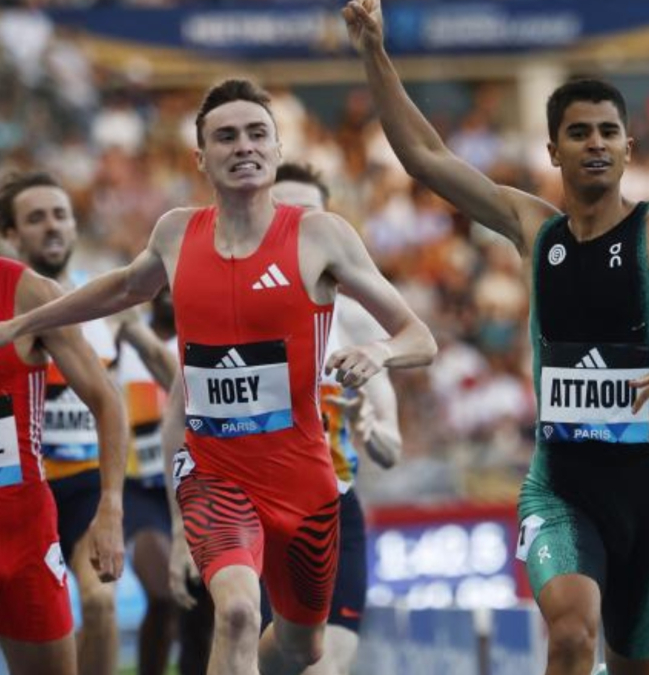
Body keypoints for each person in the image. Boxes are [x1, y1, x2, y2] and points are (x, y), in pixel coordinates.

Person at [343, 3, 649, 674]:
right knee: (570, 634)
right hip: (560, 486)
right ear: (553, 151)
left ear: (629, 147)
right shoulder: (534, 230)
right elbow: (425, 158)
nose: (595, 143)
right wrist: (373, 50)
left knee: (633, 666)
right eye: (579, 132)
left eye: (608, 131)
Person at [0, 79, 438, 675]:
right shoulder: (177, 233)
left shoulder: (320, 235)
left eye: (257, 134)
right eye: (226, 137)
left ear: (277, 148)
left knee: (301, 647)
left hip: (303, 477)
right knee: (234, 613)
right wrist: (20, 323)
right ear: (201, 158)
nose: (244, 147)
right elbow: (124, 287)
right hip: (214, 472)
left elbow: (419, 337)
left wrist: (380, 352)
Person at [167, 162, 405, 675]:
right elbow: (177, 413)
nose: (293, 222)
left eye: (307, 211)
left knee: (318, 662)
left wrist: (369, 428)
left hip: (327, 504)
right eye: (286, 208)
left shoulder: (354, 321)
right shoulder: (229, 310)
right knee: (239, 620)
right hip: (242, 497)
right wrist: (177, 522)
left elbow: (391, 445)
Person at [0, 172, 124, 675]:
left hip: (22, 527)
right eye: (36, 217)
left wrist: (110, 507)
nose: (51, 226)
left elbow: (107, 400)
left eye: (58, 214)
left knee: (96, 609)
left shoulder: (28, 293)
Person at [114, 290, 180, 675]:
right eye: (161, 284)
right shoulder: (125, 336)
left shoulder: (205, 336)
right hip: (140, 489)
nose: (169, 292)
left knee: (202, 609)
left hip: (192, 486)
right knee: (165, 593)